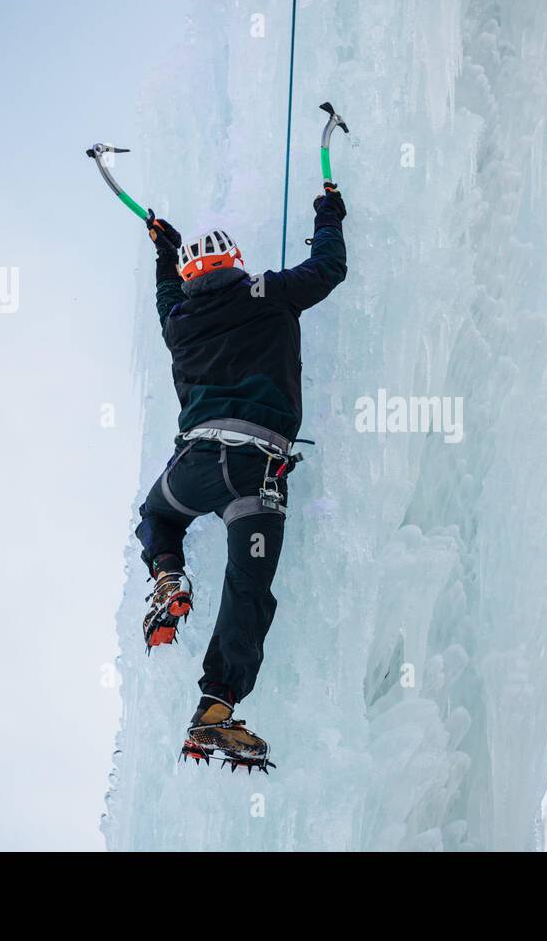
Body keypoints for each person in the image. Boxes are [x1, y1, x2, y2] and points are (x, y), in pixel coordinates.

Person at [135, 184, 347, 770]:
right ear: (233, 262)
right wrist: (328, 210)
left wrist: (163, 251)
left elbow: (164, 299)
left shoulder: (181, 320)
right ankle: (215, 706)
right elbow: (329, 268)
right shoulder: (267, 291)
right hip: (255, 473)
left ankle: (168, 575)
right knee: (246, 592)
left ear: (191, 275)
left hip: (195, 467)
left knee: (159, 516)